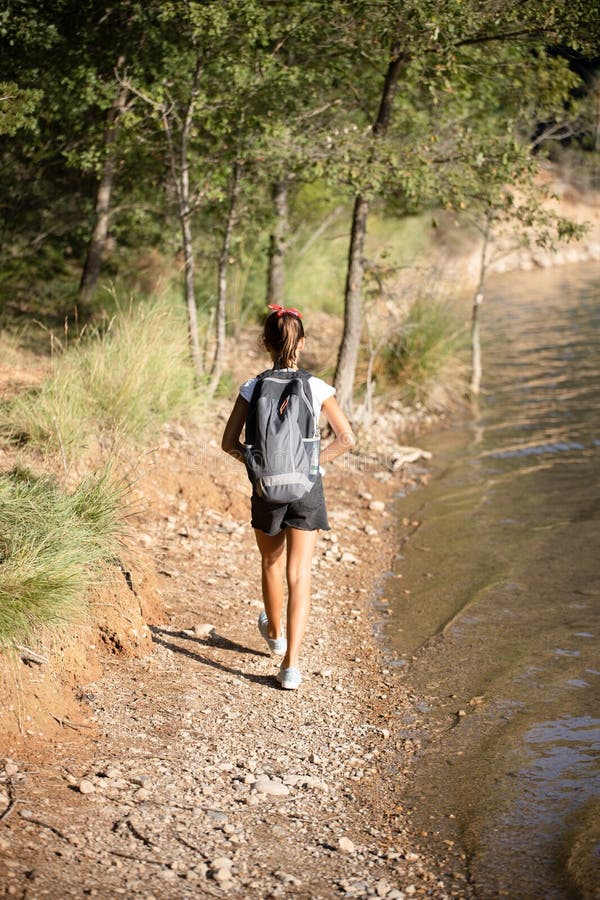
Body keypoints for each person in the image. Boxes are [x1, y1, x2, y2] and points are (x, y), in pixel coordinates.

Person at [221, 304, 355, 689]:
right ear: (302, 342)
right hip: (306, 489)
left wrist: (256, 464)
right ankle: (291, 667)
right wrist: (314, 465)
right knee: (300, 575)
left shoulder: (253, 386)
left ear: (266, 342)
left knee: (270, 564)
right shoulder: (316, 387)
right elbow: (346, 438)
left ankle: (274, 636)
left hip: (266, 489)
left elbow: (228, 442)